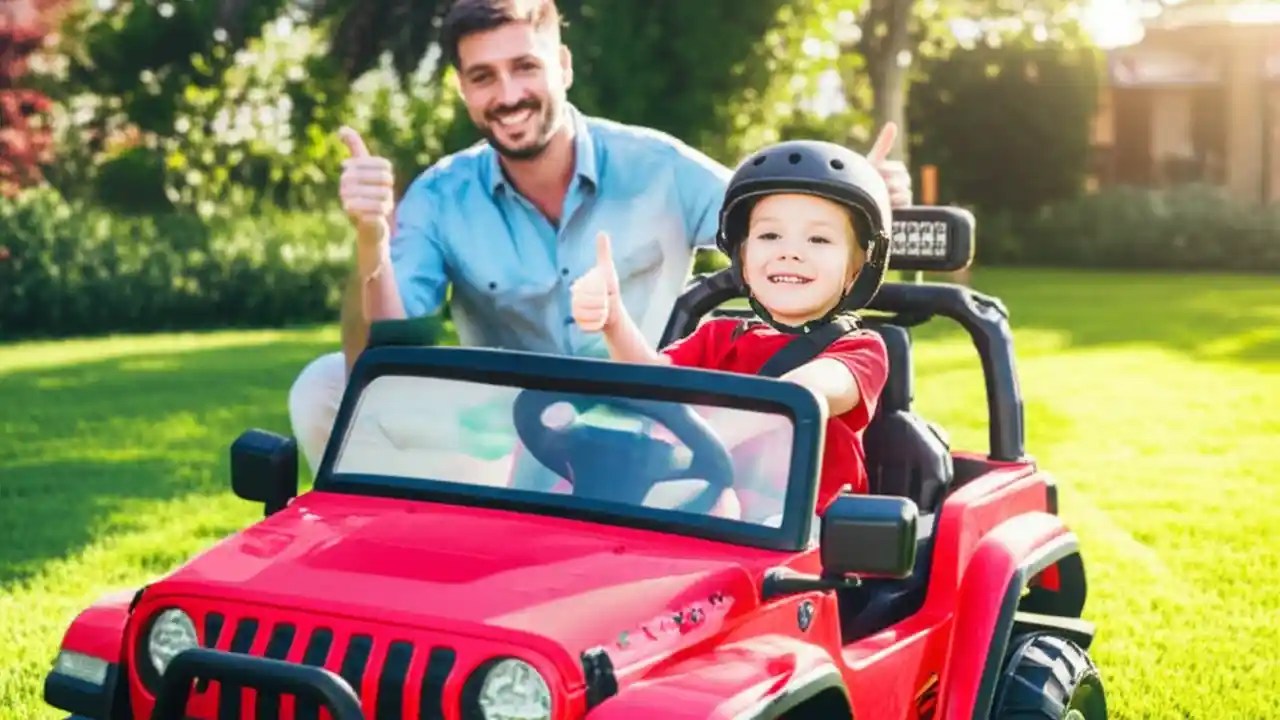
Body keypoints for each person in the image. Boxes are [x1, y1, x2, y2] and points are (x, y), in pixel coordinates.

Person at [288, 0, 913, 473]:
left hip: (649, 419)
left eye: (524, 67)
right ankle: (393, 552)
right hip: (505, 430)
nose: (508, 95)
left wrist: (857, 199)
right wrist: (369, 239)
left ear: (561, 66)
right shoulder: (439, 196)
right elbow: (377, 358)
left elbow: (779, 222)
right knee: (323, 385)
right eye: (483, 77)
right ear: (461, 87)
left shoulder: (659, 166)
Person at [570, 140, 893, 516]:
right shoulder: (717, 337)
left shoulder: (860, 349)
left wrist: (709, 438)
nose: (790, 252)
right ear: (742, 254)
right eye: (770, 236)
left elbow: (808, 390)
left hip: (809, 541)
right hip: (709, 521)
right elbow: (651, 385)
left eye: (818, 239)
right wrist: (614, 321)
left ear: (856, 270)